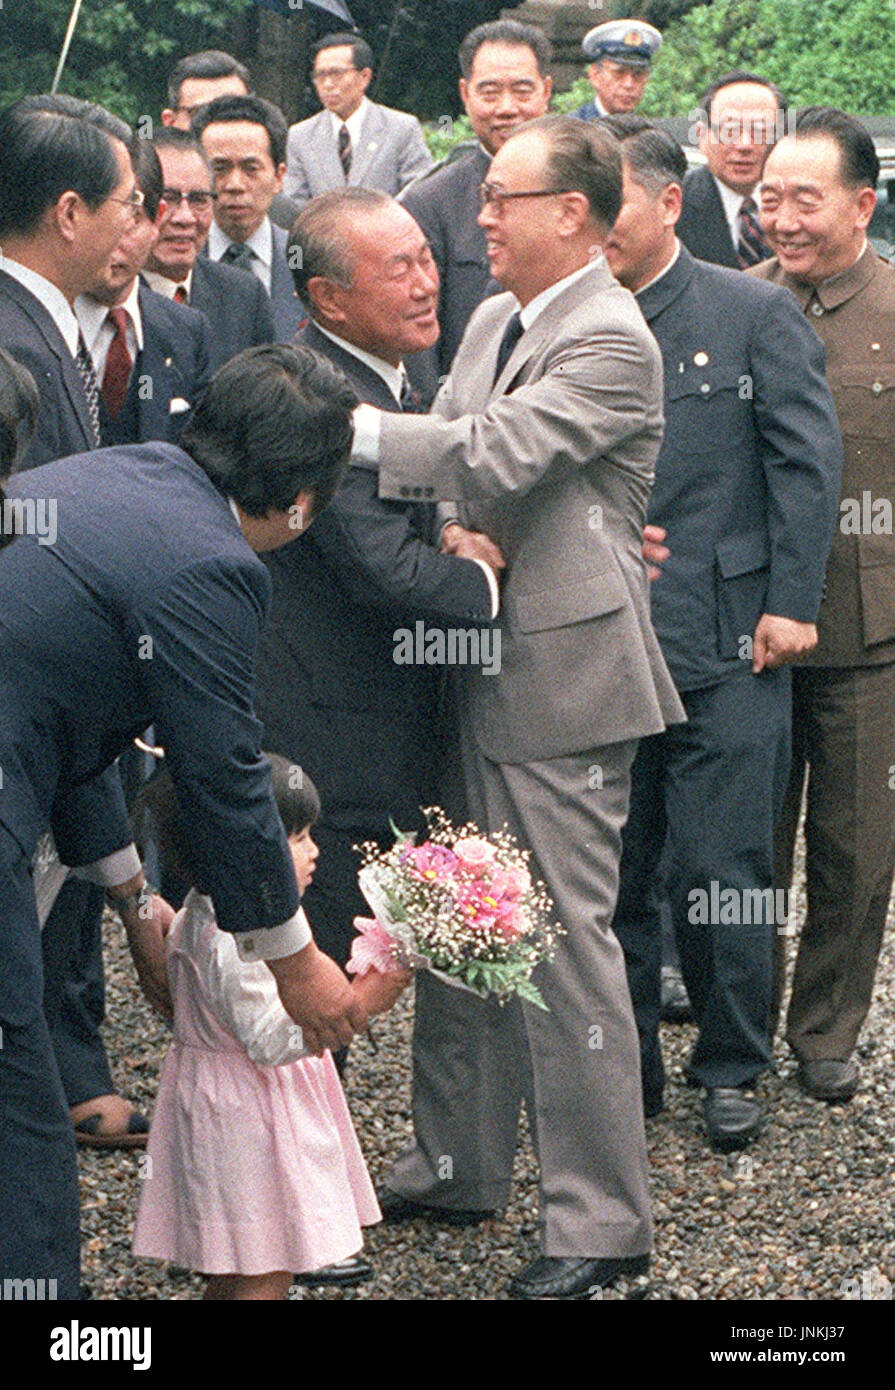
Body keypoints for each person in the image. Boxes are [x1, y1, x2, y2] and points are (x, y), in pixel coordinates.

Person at [353, 115, 684, 1300]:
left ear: (575, 216)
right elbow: (463, 478)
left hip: (567, 682)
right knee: (458, 922)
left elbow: (488, 450)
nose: (477, 218)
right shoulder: (498, 318)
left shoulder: (611, 336)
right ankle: (455, 1163)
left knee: (568, 949)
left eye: (501, 198)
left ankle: (601, 1222)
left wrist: (345, 430)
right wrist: (449, 522)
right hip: (479, 660)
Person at [0, 343, 366, 1298]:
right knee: (17, 1090)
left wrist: (129, 899)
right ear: (301, 501)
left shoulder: (108, 473)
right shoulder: (212, 564)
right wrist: (296, 961)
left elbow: (66, 699)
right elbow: (222, 773)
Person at [601, 116, 843, 1149]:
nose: (584, 225)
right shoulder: (559, 317)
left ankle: (731, 1063)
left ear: (664, 201)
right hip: (603, 646)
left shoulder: (748, 312)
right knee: (612, 870)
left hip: (728, 640)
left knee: (724, 869)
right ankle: (626, 1065)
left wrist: (791, 602)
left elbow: (805, 461)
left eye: (601, 202)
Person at [255, 188, 498, 989]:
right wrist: (488, 578)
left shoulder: (397, 369)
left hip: (378, 718)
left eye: (426, 257)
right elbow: (382, 568)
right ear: (327, 296)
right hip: (331, 733)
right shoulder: (315, 394)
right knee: (315, 982)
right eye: (398, 269)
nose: (426, 283)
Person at [133, 759, 409, 1300]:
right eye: (299, 837)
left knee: (234, 1263)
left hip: (213, 1105)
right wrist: (366, 1000)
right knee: (268, 1265)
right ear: (243, 852)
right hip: (250, 1117)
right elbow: (270, 1039)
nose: (315, 851)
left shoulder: (199, 913)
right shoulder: (243, 937)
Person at [751, 108, 895, 1104]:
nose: (783, 218)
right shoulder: (734, 304)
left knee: (854, 841)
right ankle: (735, 1020)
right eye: (769, 197)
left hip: (865, 624)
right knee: (739, 841)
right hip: (747, 626)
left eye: (805, 198)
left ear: (861, 202)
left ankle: (826, 1028)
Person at [402, 19, 552, 401]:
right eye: (489, 92)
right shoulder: (431, 202)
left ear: (546, 91)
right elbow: (419, 336)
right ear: (465, 95)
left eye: (522, 91)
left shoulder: (586, 188)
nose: (507, 108)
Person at [0, 94, 138, 468]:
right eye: (128, 203)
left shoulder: (35, 322)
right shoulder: (17, 356)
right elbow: (26, 519)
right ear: (69, 214)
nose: (132, 223)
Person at [76, 138, 211, 447]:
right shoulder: (30, 325)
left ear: (157, 219)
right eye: (102, 220)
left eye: (132, 220)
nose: (114, 240)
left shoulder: (187, 331)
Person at [144, 128, 275, 371]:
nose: (185, 218)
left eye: (198, 200)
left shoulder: (244, 296)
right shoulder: (110, 293)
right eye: (168, 198)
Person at [193, 95, 305, 342]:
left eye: (251, 169)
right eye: (219, 169)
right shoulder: (174, 260)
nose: (235, 185)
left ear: (279, 176)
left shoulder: (306, 263)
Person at [284, 32, 432, 210]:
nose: (328, 84)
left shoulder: (401, 128)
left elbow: (419, 193)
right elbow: (295, 204)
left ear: (364, 77)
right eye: (320, 75)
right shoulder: (301, 136)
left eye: (336, 74)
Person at [161, 48, 297, 230]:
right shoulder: (150, 211)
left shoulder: (291, 224)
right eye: (201, 112)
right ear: (169, 122)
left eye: (236, 108)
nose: (221, 121)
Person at [678, 70, 784, 269]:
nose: (744, 145)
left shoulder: (802, 203)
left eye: (760, 131)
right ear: (702, 136)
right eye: (729, 131)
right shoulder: (674, 208)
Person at [574, 19, 662, 120]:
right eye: (619, 73)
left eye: (638, 74)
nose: (629, 84)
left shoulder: (648, 130)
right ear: (595, 76)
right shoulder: (573, 130)